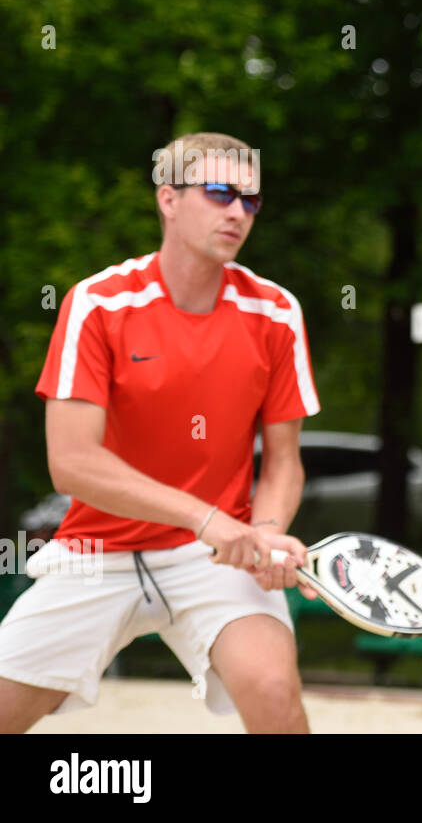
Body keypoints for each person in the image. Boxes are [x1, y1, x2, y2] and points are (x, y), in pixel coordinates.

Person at [0, 132, 322, 733]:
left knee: (275, 695)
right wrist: (207, 517)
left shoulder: (277, 312)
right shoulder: (96, 304)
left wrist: (269, 532)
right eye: (220, 192)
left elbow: (283, 462)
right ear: (168, 199)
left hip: (214, 561)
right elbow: (72, 464)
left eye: (250, 200)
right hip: (96, 553)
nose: (236, 212)